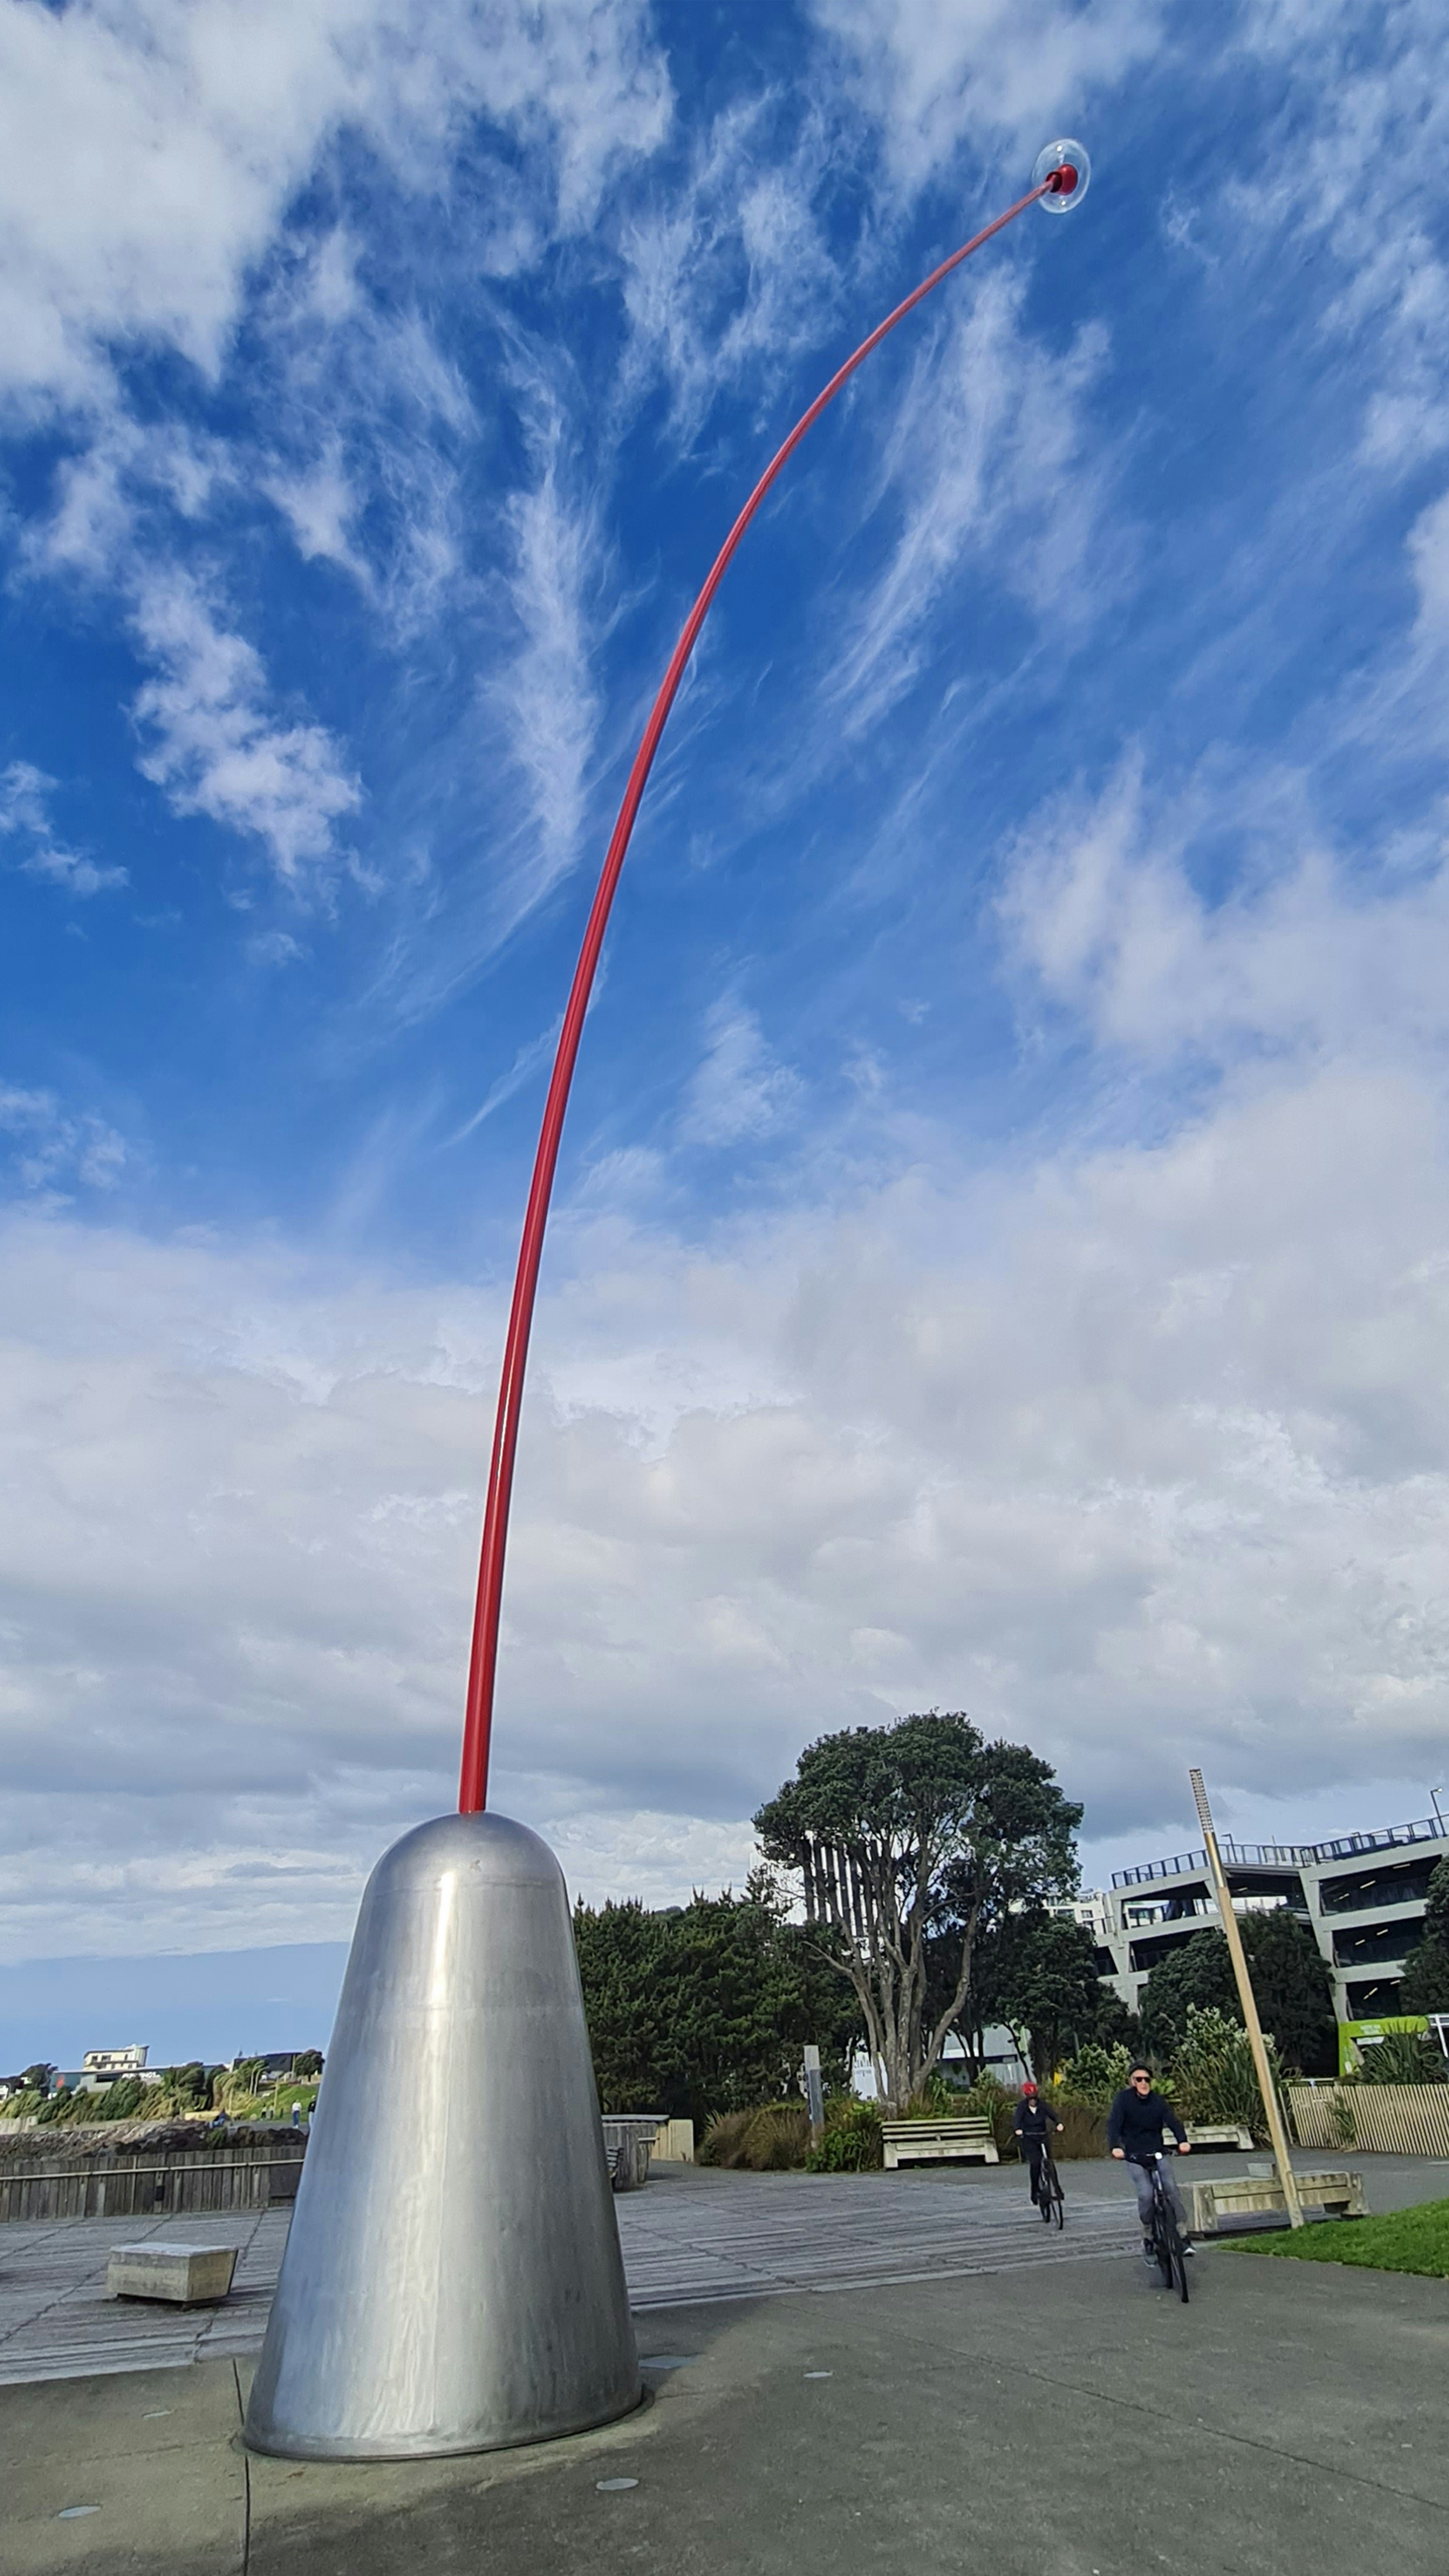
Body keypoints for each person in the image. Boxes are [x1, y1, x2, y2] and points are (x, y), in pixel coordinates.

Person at [1107, 2063, 1193, 2258]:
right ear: (1132, 2082)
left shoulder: (1157, 2101)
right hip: (1135, 2156)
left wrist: (1183, 2141)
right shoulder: (1124, 2100)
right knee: (1146, 2195)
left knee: (1171, 2188)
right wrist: (1115, 2147)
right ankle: (1148, 2233)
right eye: (1139, 2079)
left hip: (1158, 2152)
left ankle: (1182, 2234)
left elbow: (1172, 2121)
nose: (1144, 2083)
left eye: (1147, 2079)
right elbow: (1114, 2124)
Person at [1012, 2080, 1064, 2205]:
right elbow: (1017, 2121)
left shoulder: (1042, 2105)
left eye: (1035, 2098)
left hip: (1043, 2136)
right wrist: (1018, 2129)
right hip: (1029, 2138)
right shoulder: (1022, 2107)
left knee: (1050, 2163)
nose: (1033, 2101)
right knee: (1035, 2163)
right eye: (1030, 2098)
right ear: (1027, 2098)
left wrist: (1059, 2123)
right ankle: (1035, 2191)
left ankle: (1057, 2189)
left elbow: (1053, 2115)